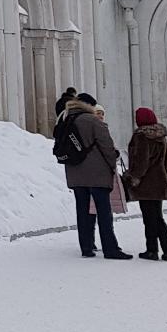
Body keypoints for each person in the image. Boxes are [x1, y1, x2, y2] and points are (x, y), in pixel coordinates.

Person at [53, 91, 130, 259]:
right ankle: (110, 248)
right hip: (97, 174)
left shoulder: (65, 120)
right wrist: (112, 163)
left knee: (83, 211)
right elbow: (107, 146)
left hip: (75, 173)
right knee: (103, 212)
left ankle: (86, 247)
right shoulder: (94, 121)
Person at [126, 108, 167, 261]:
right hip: (158, 183)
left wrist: (134, 178)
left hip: (146, 184)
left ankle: (154, 250)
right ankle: (164, 251)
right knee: (157, 217)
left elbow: (141, 162)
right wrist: (161, 175)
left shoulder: (141, 136)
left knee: (149, 218)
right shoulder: (161, 137)